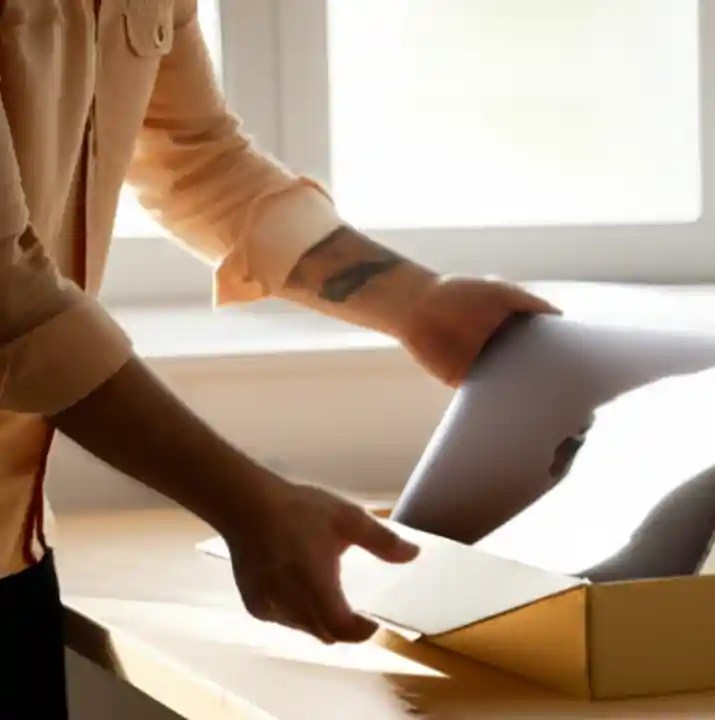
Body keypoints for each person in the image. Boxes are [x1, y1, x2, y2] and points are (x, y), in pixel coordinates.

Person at [0, 1, 558, 716]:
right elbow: (10, 299)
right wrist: (247, 503)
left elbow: (198, 158)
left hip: (16, 543)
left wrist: (420, 304)